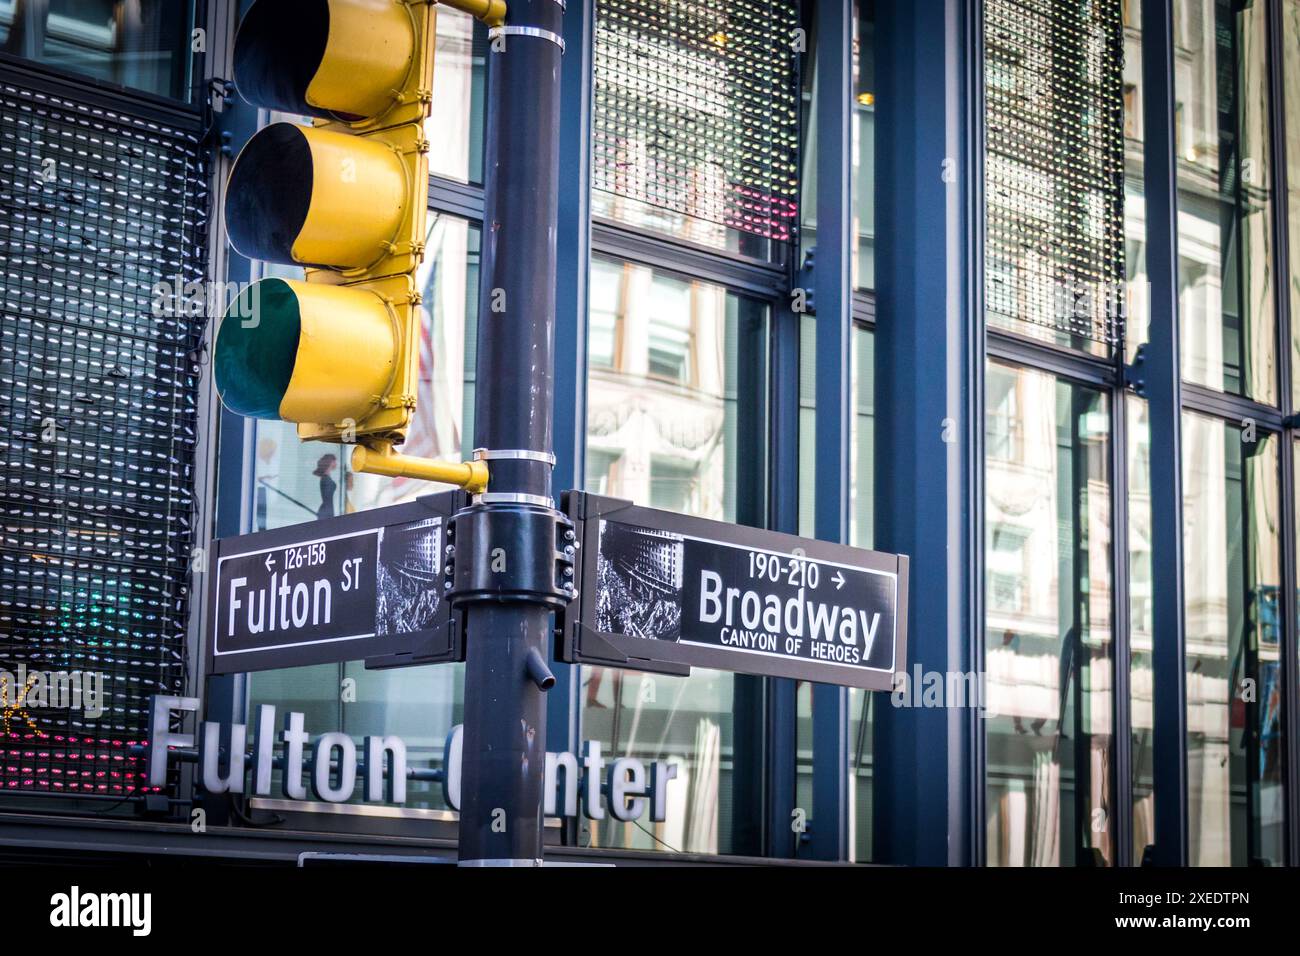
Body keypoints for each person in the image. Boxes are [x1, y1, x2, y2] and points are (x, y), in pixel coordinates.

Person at [313, 454, 338, 519]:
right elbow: (327, 499)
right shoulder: (325, 479)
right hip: (326, 512)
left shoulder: (326, 477)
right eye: (334, 461)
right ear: (330, 462)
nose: (336, 463)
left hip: (327, 510)